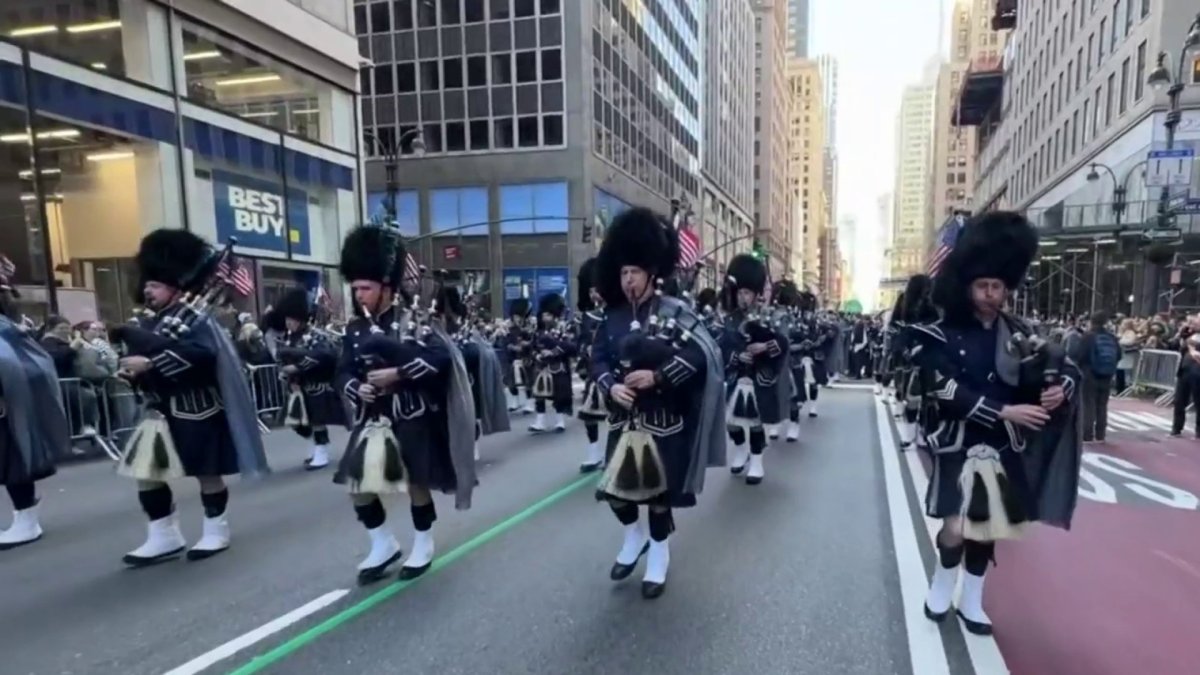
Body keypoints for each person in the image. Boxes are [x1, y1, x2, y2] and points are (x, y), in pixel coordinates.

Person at [912, 212, 1082, 636]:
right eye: (982, 285)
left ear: (1007, 287)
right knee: (954, 525)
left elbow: (1066, 367)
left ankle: (972, 599)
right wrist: (1003, 411)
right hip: (958, 441)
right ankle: (942, 581)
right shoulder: (942, 334)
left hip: (1002, 446)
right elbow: (942, 389)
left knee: (986, 528)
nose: (990, 294)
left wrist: (1061, 387)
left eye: (997, 286)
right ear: (967, 286)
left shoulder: (1021, 333)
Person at [590, 207, 724, 599]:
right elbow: (597, 359)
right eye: (622, 272)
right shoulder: (611, 317)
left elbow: (703, 355)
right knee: (615, 493)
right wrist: (611, 386)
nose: (627, 279)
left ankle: (659, 553)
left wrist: (658, 376)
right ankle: (634, 536)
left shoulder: (674, 312)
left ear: (651, 272)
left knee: (659, 498)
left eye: (634, 272)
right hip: (623, 420)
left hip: (665, 419)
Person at [113, 230, 269, 566]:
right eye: (147, 285)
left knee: (206, 472)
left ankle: (216, 528)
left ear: (175, 285)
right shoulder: (150, 322)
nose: (147, 291)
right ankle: (163, 534)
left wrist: (151, 361)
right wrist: (131, 369)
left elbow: (203, 357)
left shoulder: (198, 321)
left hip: (197, 408)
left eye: (154, 285)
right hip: (159, 411)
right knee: (147, 472)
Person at [333, 225, 476, 584]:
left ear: (386, 286)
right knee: (358, 486)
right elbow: (343, 372)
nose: (359, 294)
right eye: (355, 288)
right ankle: (382, 543)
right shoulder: (354, 330)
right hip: (372, 417)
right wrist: (357, 388)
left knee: (416, 483)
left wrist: (398, 373)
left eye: (365, 287)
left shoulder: (413, 320)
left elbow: (441, 359)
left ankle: (423, 543)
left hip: (410, 414)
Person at [0, 257, 71, 550]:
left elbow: (29, 367)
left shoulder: (8, 330)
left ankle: (26, 520)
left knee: (13, 463)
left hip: (8, 407)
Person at [719, 254, 789, 484]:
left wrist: (764, 347)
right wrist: (736, 356)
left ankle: (757, 461)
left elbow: (782, 343)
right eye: (739, 292)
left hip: (758, 379)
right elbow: (719, 346)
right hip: (734, 377)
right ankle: (740, 450)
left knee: (756, 424)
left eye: (747, 292)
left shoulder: (768, 317)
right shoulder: (728, 319)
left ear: (757, 293)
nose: (742, 297)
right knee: (732, 422)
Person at [265, 288, 348, 469]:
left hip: (316, 386)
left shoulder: (316, 335)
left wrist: (298, 367)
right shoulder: (289, 338)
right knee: (297, 423)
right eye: (287, 319)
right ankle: (318, 445)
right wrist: (284, 372)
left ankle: (321, 451)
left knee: (317, 421)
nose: (289, 323)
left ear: (302, 319)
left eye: (292, 320)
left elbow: (325, 356)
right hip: (297, 388)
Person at [575, 257, 609, 471]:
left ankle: (614, 453)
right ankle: (594, 452)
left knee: (617, 418)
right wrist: (584, 351)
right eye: (591, 290)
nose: (594, 294)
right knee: (590, 417)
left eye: (597, 289)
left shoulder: (617, 314)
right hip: (593, 372)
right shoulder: (586, 317)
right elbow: (581, 341)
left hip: (615, 373)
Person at [527, 292, 576, 433]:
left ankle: (560, 422)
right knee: (539, 395)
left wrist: (553, 352)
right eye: (544, 315)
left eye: (548, 315)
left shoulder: (563, 329)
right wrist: (537, 355)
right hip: (542, 367)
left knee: (559, 396)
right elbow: (532, 347)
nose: (544, 318)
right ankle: (540, 422)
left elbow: (572, 346)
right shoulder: (538, 332)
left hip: (558, 367)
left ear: (555, 315)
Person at [1069, 311, 1119, 442]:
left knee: (1088, 403)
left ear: (1091, 321)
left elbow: (1080, 355)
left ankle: (1087, 434)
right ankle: (1100, 434)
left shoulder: (1088, 337)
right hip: (1107, 374)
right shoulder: (1112, 337)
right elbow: (1119, 354)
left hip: (1089, 373)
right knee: (1102, 405)